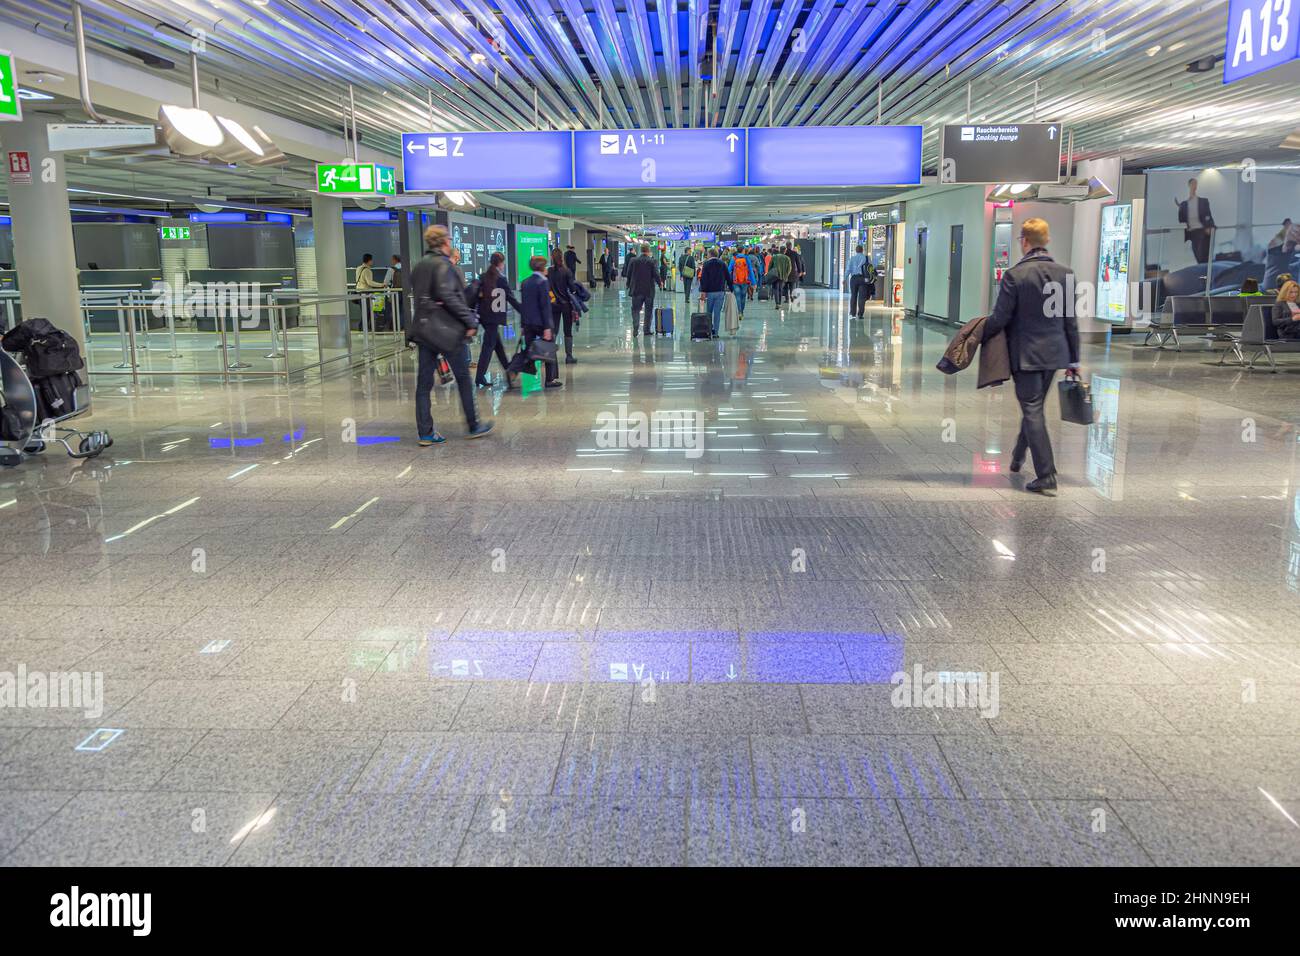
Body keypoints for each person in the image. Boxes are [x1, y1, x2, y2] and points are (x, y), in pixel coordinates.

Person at [981, 217, 1080, 494]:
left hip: (1026, 354)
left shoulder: (1015, 275)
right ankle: (1018, 455)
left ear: (1024, 241)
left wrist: (977, 332)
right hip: (1055, 354)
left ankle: (1046, 475)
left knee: (1032, 409)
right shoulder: (1066, 274)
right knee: (1033, 406)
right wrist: (1074, 360)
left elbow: (1000, 318)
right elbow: (1070, 320)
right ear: (1046, 240)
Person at [408, 226, 493, 444]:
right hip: (446, 331)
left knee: (424, 383)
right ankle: (474, 425)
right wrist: (470, 320)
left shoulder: (419, 266)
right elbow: (451, 297)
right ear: (444, 242)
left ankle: (425, 432)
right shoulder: (444, 266)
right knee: (463, 378)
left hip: (423, 330)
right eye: (449, 239)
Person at [506, 255, 560, 388]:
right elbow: (545, 306)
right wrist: (548, 327)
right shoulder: (543, 282)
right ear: (542, 267)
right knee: (549, 350)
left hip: (528, 322)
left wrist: (524, 324)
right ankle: (550, 379)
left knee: (527, 350)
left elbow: (524, 305)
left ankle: (513, 369)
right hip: (541, 323)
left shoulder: (525, 282)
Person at [473, 251, 521, 387]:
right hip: (494, 317)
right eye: (503, 263)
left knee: (497, 344)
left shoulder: (483, 276)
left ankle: (508, 370)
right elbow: (511, 298)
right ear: (500, 263)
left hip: (484, 316)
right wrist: (523, 310)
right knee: (488, 346)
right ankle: (479, 377)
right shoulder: (501, 279)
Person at [548, 247, 579, 365]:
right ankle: (569, 356)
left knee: (554, 330)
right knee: (567, 330)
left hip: (553, 305)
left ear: (552, 258)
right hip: (566, 305)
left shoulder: (549, 272)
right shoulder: (567, 271)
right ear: (562, 258)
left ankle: (550, 355)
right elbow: (572, 288)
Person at [1175, 177, 1215, 264]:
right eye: (1193, 183)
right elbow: (1181, 220)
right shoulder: (1184, 204)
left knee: (1203, 256)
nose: (1194, 185)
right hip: (1192, 233)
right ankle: (1203, 271)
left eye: (1196, 183)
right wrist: (1180, 208)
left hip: (1202, 231)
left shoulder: (1203, 201)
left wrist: (1210, 227)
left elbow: (1208, 216)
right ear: (1189, 185)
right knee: (1198, 255)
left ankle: (1205, 272)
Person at [697, 248, 733, 338]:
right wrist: (731, 288)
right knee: (717, 313)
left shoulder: (706, 264)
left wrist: (703, 291)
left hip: (709, 293)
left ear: (710, 254)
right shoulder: (723, 264)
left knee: (709, 312)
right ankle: (716, 333)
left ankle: (709, 330)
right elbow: (728, 277)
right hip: (720, 292)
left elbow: (703, 279)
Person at [626, 243, 660, 336]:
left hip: (636, 290)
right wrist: (660, 283)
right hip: (649, 290)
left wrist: (628, 284)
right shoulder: (652, 261)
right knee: (648, 310)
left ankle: (636, 326)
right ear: (648, 251)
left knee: (635, 309)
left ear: (641, 250)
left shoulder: (633, 260)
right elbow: (656, 274)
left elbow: (628, 274)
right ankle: (646, 330)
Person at [846, 243, 869, 318]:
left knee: (853, 295)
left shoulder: (852, 258)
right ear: (862, 250)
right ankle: (860, 314)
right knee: (862, 297)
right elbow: (872, 268)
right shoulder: (866, 258)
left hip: (854, 279)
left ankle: (852, 313)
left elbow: (848, 269)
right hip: (863, 279)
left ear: (856, 251)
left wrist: (844, 278)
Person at [729, 246, 751, 318]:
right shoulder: (746, 258)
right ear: (743, 250)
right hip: (745, 281)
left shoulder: (734, 258)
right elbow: (750, 270)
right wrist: (753, 282)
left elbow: (729, 269)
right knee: (743, 296)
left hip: (736, 281)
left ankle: (739, 312)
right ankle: (742, 311)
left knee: (737, 296)